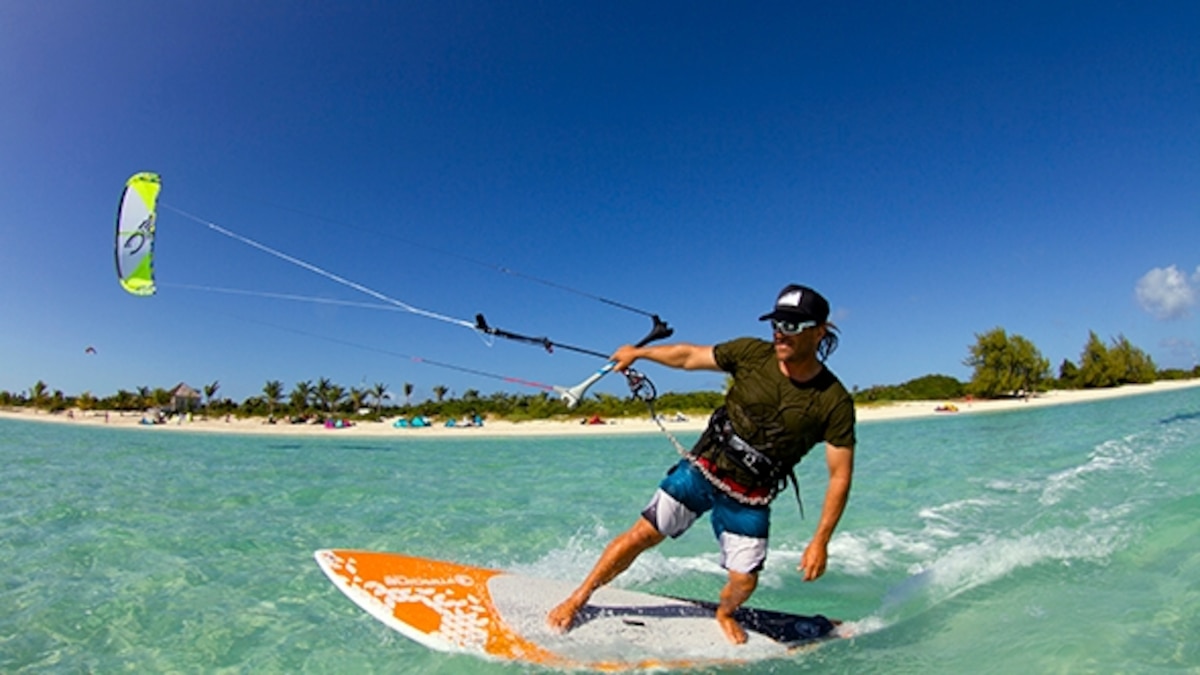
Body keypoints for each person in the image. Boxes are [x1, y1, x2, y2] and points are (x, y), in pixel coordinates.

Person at [546, 284, 856, 644]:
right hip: (704, 468)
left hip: (750, 496)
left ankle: (724, 612)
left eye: (793, 325)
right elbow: (690, 356)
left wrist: (821, 540)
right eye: (777, 323)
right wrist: (640, 353)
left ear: (819, 331)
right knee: (642, 535)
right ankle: (579, 597)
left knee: (744, 581)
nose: (780, 332)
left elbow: (839, 475)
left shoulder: (833, 401)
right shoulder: (753, 354)